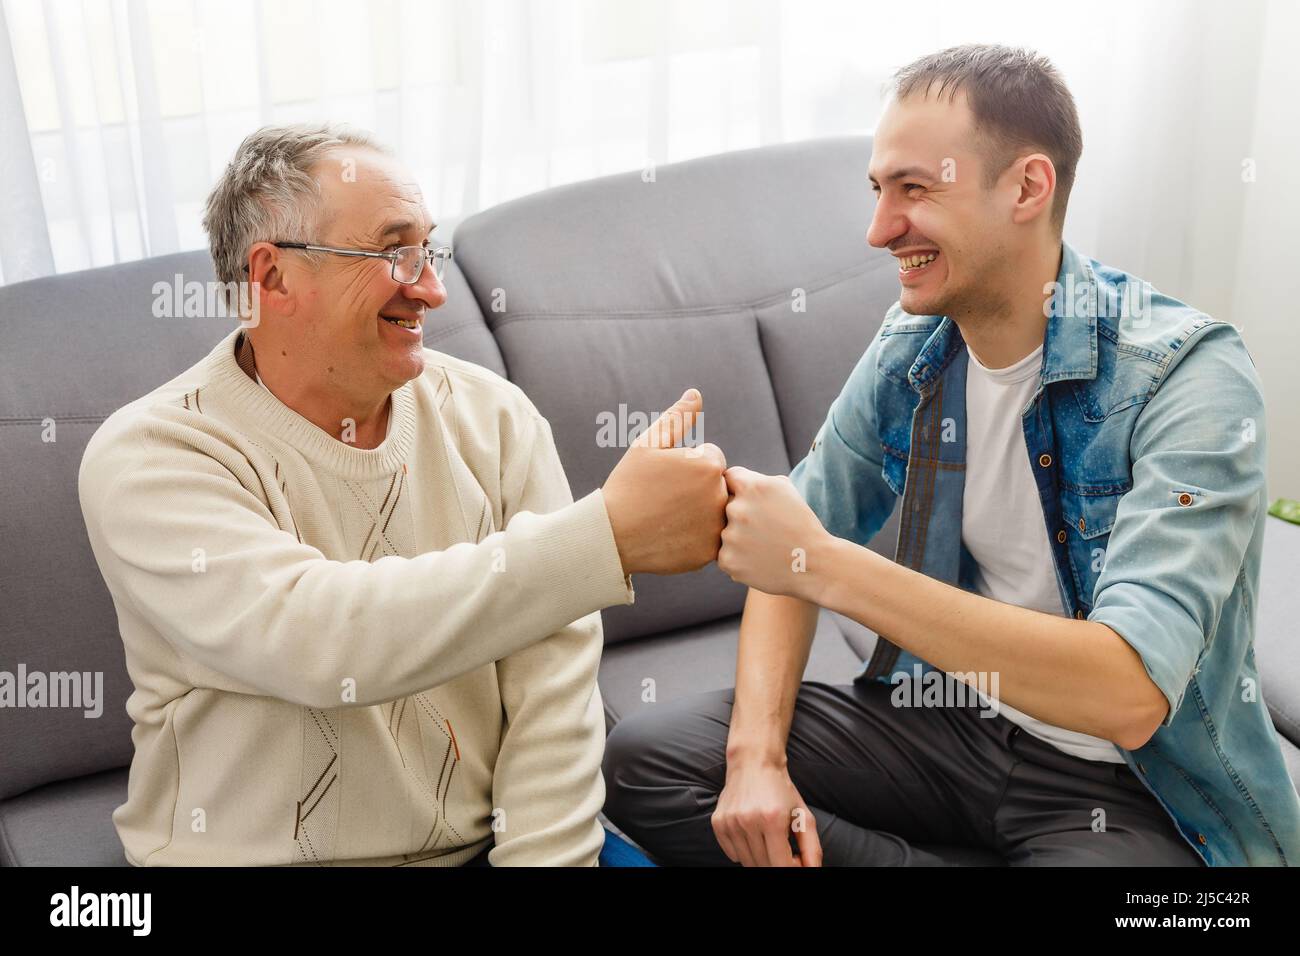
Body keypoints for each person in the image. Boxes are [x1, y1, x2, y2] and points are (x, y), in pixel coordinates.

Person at [602, 44, 1300, 867]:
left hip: (1128, 785)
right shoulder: (915, 346)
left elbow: (1128, 695)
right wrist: (756, 761)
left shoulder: (1188, 377)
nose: (878, 230)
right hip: (952, 727)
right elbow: (792, 540)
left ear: (1027, 189)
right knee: (649, 761)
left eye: (916, 190)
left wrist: (823, 563)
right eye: (877, 191)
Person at [79, 123, 726, 866]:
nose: (432, 287)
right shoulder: (152, 456)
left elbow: (553, 688)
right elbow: (319, 639)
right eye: (394, 252)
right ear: (273, 277)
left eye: (429, 249)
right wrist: (606, 537)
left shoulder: (496, 418)